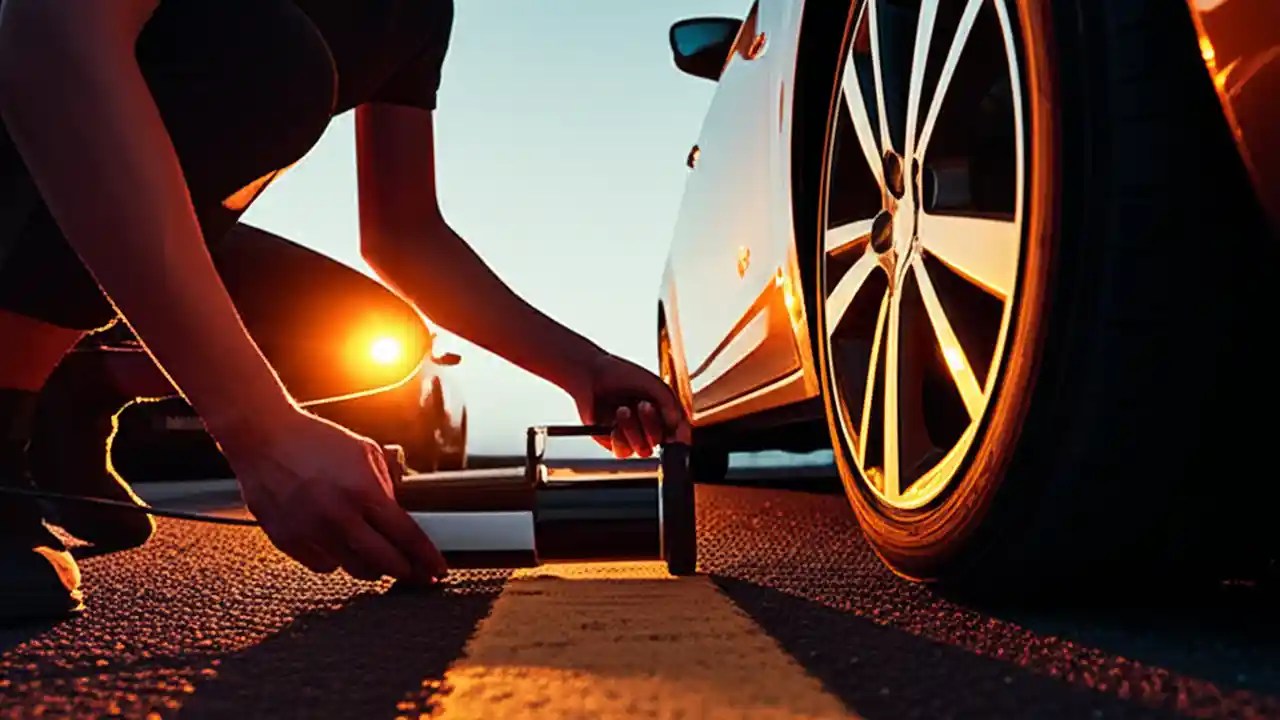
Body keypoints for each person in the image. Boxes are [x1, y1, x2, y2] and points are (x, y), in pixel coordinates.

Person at [0, 0, 687, 622]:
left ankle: (73, 388)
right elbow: (47, 37)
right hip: (27, 149)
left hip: (72, 217)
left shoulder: (418, 15)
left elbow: (406, 235)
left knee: (370, 333)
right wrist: (257, 426)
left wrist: (581, 366)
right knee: (269, 62)